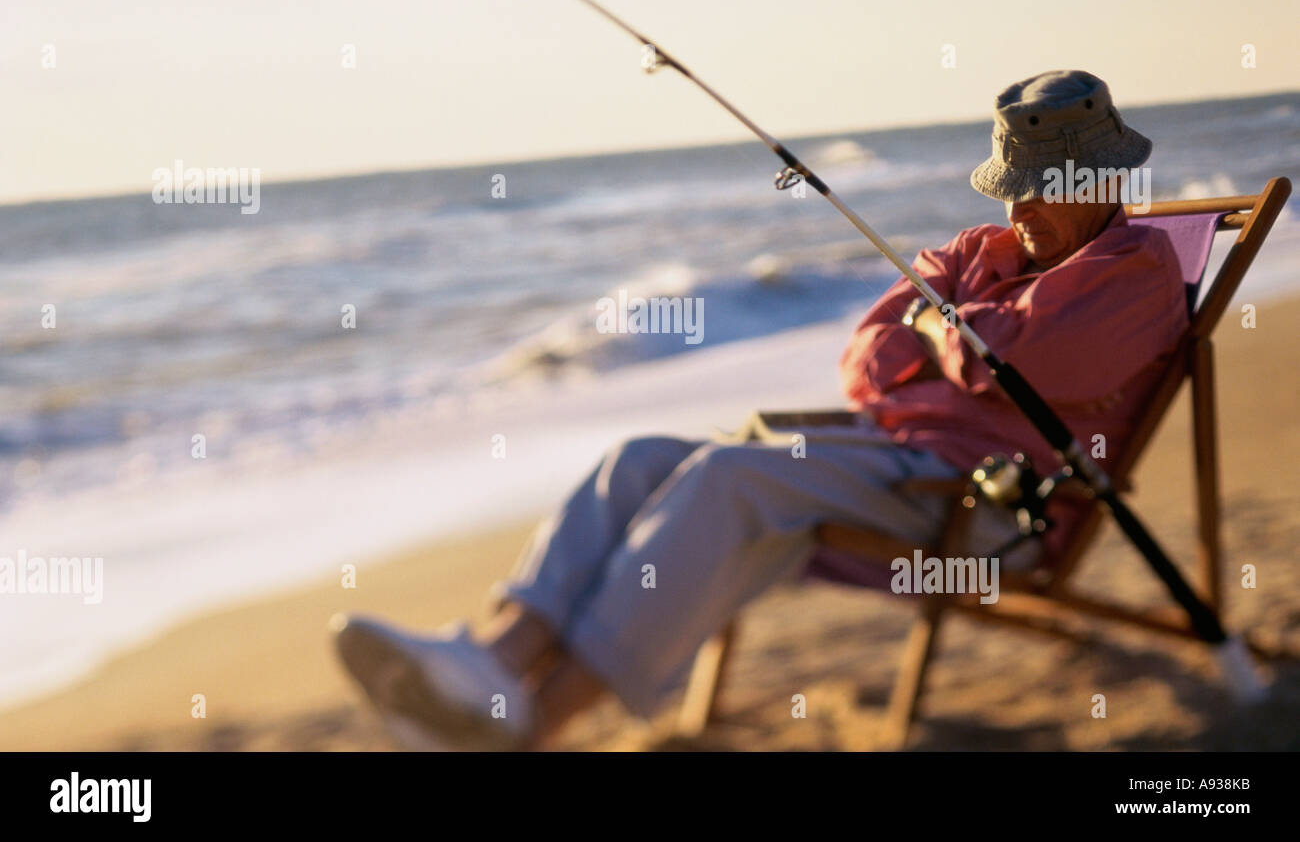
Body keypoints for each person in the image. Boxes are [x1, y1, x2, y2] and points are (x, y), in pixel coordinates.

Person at [332, 69, 1188, 750]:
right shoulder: (977, 251)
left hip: (985, 506)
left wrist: (944, 334)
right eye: (1012, 185)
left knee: (730, 478)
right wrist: (946, 343)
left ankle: (535, 722)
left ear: (1102, 176)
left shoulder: (1135, 275)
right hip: (883, 460)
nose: (1019, 206)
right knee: (639, 457)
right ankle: (494, 657)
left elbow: (1023, 365)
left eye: (1042, 186)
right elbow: (866, 357)